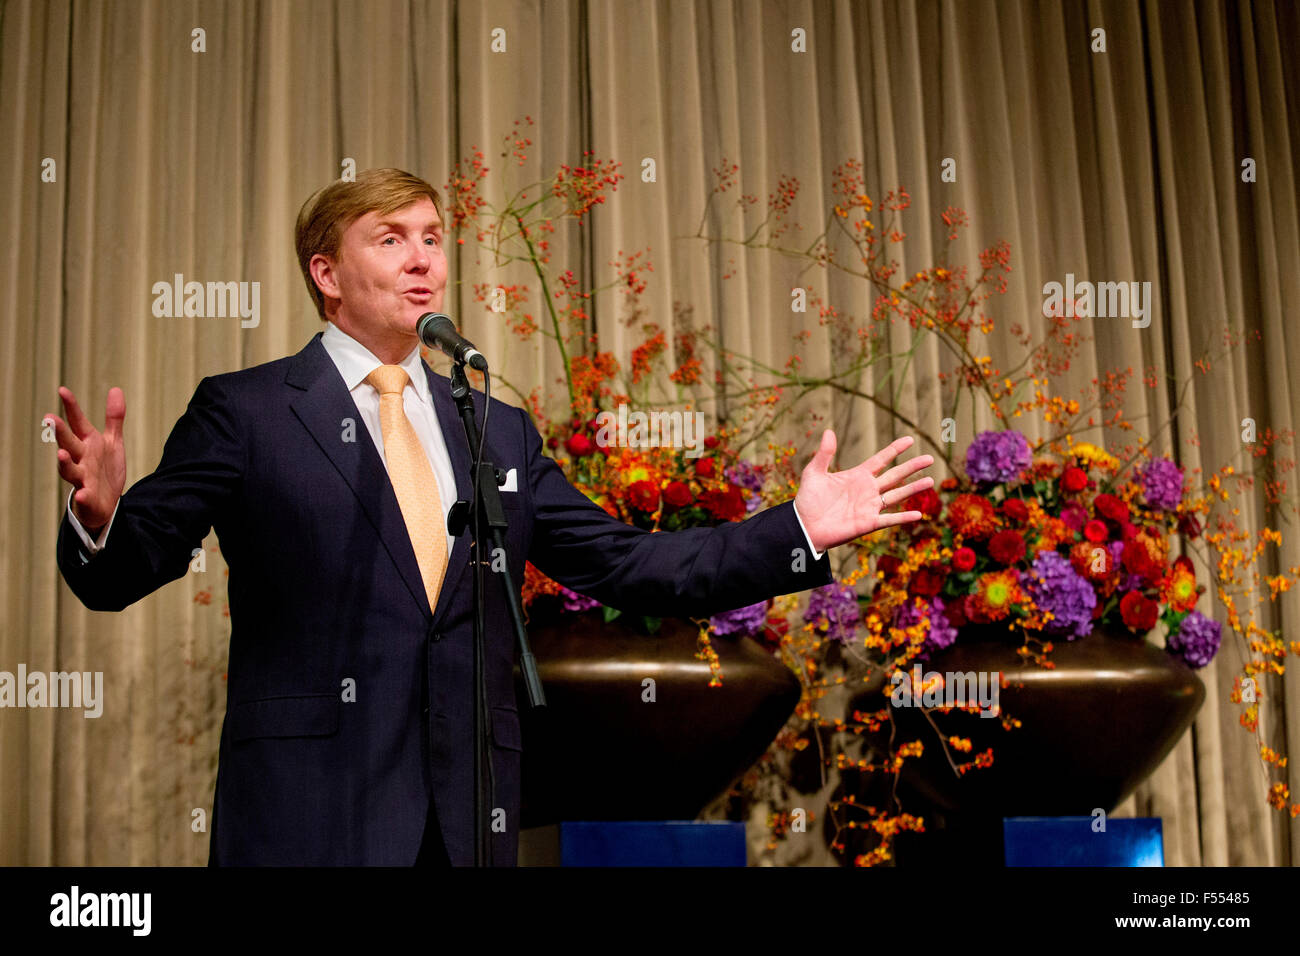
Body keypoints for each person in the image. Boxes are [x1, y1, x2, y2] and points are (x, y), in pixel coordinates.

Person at [49, 168, 935, 866]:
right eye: (391, 238)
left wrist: (801, 529)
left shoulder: (494, 428)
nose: (422, 258)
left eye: (432, 238)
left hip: (469, 816)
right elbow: (123, 571)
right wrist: (100, 516)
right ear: (326, 273)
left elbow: (632, 566)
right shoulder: (245, 412)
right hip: (308, 814)